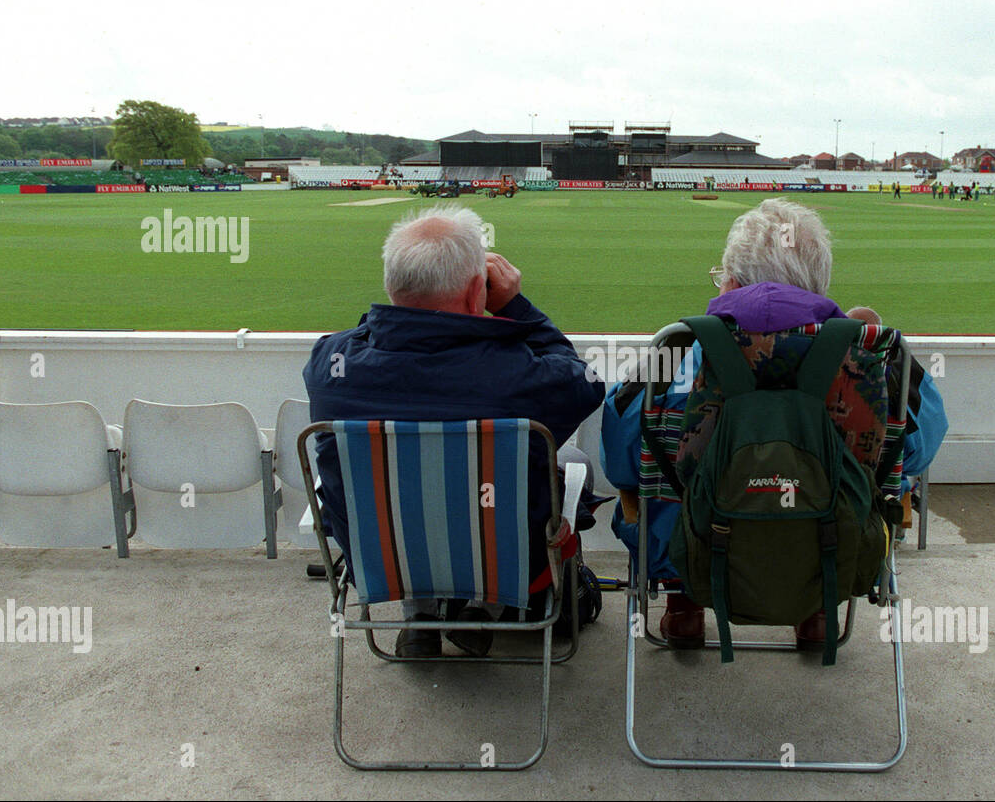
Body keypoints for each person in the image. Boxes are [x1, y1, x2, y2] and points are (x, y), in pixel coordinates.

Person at [601, 199, 947, 651]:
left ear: (730, 282)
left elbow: (621, 459)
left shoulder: (678, 351)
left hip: (689, 553)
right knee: (839, 495)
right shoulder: (871, 363)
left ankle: (684, 605)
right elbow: (918, 450)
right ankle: (817, 609)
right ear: (819, 284)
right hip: (834, 553)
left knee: (657, 500)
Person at [304, 205, 605, 657]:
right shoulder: (519, 377)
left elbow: (365, 337)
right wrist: (513, 307)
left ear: (390, 288)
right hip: (507, 561)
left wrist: (401, 314)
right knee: (568, 465)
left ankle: (420, 614)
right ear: (475, 294)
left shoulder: (330, 366)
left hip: (383, 562)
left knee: (406, 491)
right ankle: (483, 608)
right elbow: (584, 382)